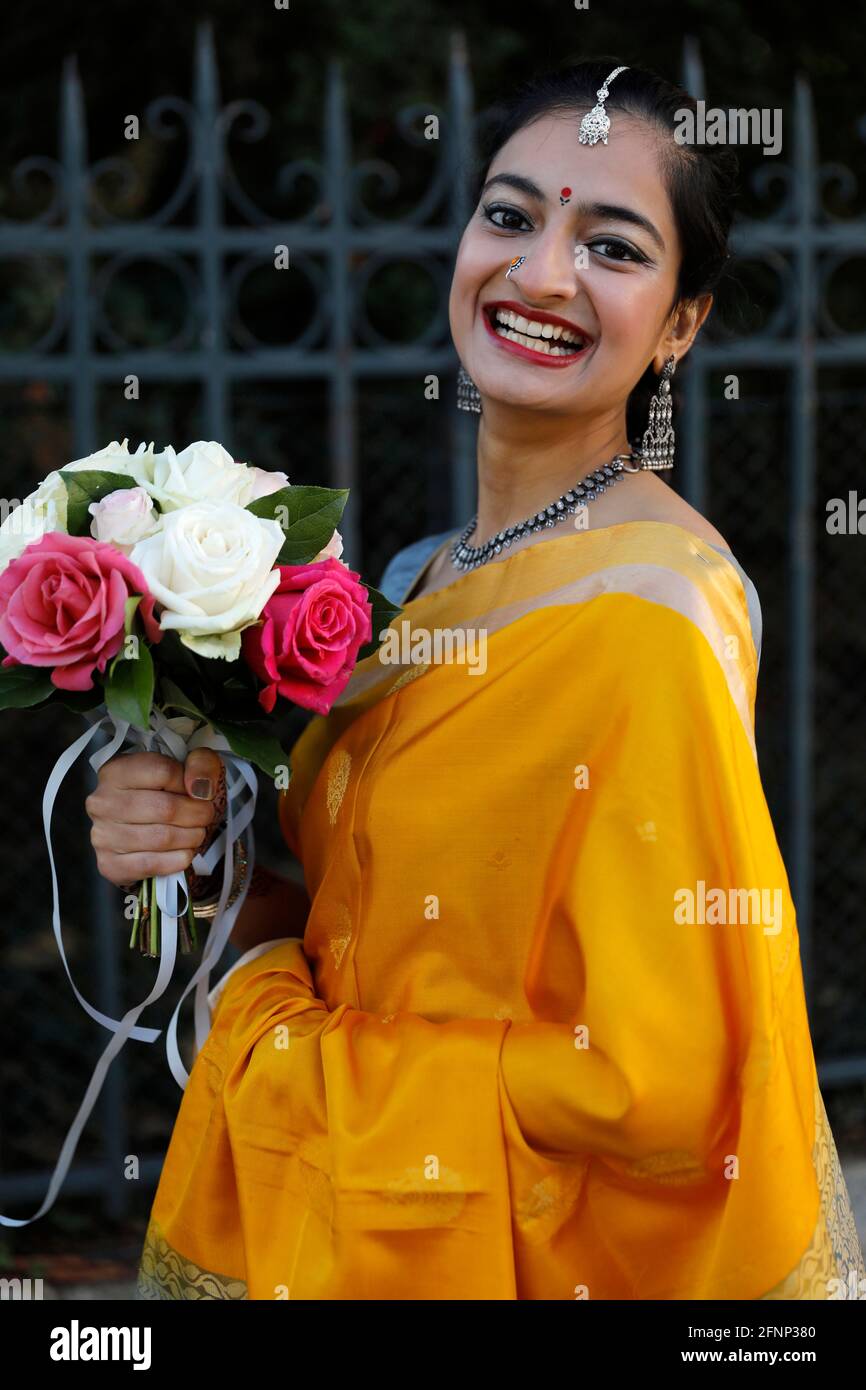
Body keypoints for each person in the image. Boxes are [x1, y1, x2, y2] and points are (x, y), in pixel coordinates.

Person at [87, 58, 865, 1300]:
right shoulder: (412, 575)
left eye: (611, 246)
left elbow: (658, 1076)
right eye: (509, 215)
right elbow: (347, 937)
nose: (540, 273)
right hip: (353, 1232)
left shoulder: (653, 612)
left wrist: (280, 1035)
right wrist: (178, 863)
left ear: (680, 325)